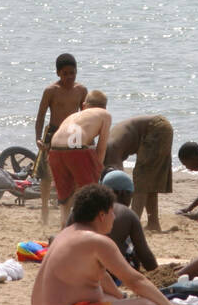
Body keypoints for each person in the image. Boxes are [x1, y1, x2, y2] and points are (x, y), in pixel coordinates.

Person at [30, 184, 176, 305]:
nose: (113, 217)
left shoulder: (65, 234)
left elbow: (101, 276)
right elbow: (135, 281)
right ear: (101, 215)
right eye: (112, 212)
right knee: (150, 304)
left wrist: (120, 296)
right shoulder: (98, 242)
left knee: (112, 298)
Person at [33, 52, 88, 226]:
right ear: (58, 73)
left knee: (74, 173)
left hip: (73, 133)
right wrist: (38, 138)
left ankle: (71, 209)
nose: (69, 77)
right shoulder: (51, 91)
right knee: (46, 175)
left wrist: (89, 138)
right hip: (54, 133)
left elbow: (86, 115)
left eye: (72, 73)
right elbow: (41, 115)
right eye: (65, 74)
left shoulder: (81, 90)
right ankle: (44, 208)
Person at [49, 90, 112, 225]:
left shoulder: (73, 115)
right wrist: (98, 168)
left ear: (84, 105)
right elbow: (101, 147)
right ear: (105, 107)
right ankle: (85, 227)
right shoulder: (105, 115)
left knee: (65, 198)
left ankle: (64, 227)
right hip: (75, 149)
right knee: (90, 194)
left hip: (54, 149)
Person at [101, 114, 174, 231]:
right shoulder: (108, 150)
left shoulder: (110, 151)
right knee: (149, 181)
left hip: (155, 129)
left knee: (141, 181)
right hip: (159, 127)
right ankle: (153, 223)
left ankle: (130, 224)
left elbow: (122, 187)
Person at [96, 171, 157, 271]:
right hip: (112, 273)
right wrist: (156, 273)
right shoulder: (127, 213)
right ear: (123, 193)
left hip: (76, 269)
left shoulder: (81, 208)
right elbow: (145, 255)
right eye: (130, 195)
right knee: (131, 249)